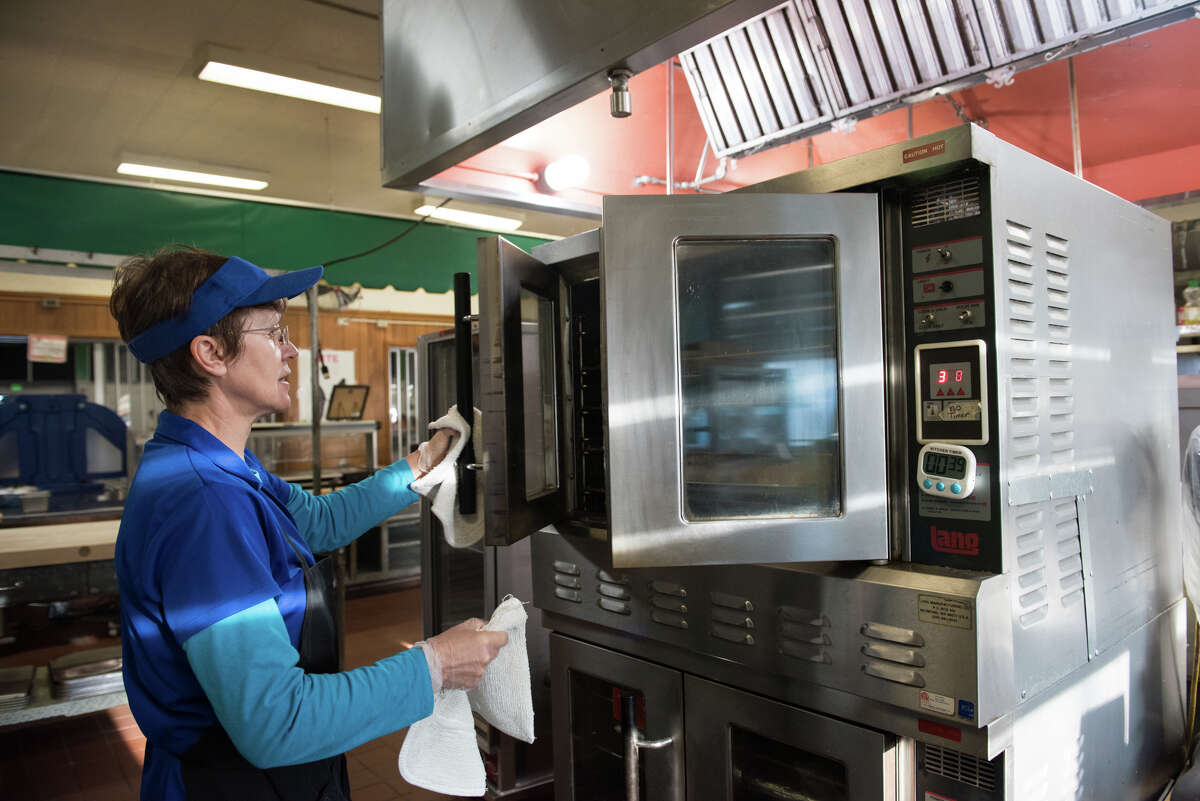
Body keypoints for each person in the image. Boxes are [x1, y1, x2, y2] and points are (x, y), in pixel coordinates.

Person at [109, 247, 506, 801]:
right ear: (209, 353)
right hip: (229, 786)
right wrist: (435, 665)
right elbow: (279, 722)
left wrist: (425, 461)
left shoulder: (225, 465)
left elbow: (318, 521)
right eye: (273, 333)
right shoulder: (203, 505)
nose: (292, 350)